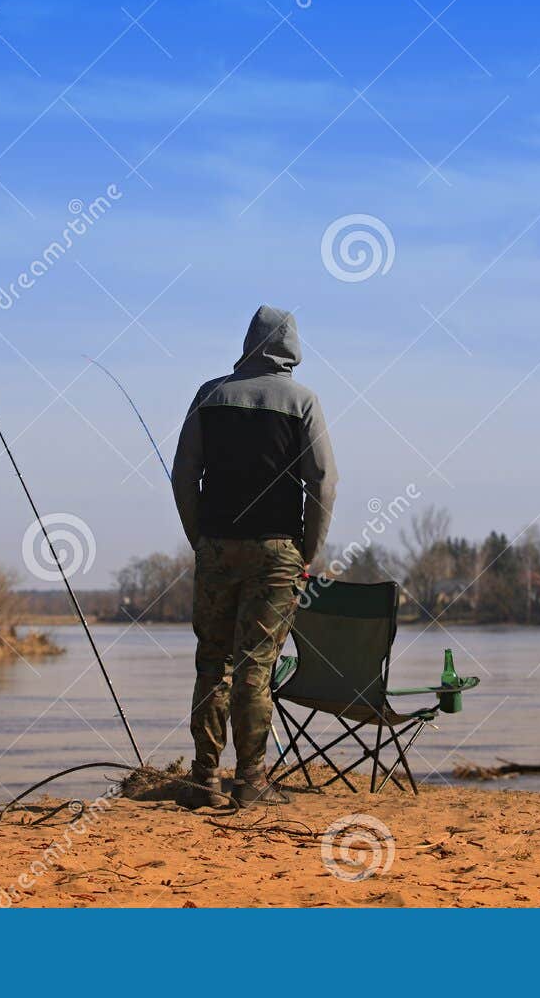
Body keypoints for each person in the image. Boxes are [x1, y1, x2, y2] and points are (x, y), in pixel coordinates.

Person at [171, 305, 336, 807]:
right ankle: (250, 780)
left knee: (212, 663)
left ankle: (203, 777)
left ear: (250, 342)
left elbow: (183, 476)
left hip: (218, 545)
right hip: (277, 552)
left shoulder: (210, 394)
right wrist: (307, 551)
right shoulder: (304, 401)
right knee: (255, 666)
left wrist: (201, 537)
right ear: (292, 348)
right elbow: (323, 484)